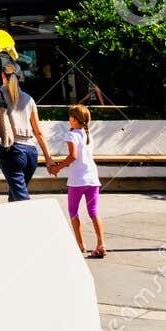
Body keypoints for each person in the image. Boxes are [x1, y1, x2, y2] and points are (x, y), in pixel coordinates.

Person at [0, 60, 53, 201]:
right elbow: (38, 132)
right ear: (20, 76)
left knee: (22, 199)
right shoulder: (29, 99)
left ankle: (39, 222)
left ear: (2, 75)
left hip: (12, 152)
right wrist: (48, 158)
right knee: (15, 197)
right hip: (31, 154)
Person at [49, 104, 106, 259]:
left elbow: (73, 156)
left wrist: (57, 168)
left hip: (77, 180)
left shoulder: (71, 135)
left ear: (74, 119)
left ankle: (80, 245)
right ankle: (101, 244)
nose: (69, 119)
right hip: (92, 178)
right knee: (93, 212)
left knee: (73, 211)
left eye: (70, 117)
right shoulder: (88, 135)